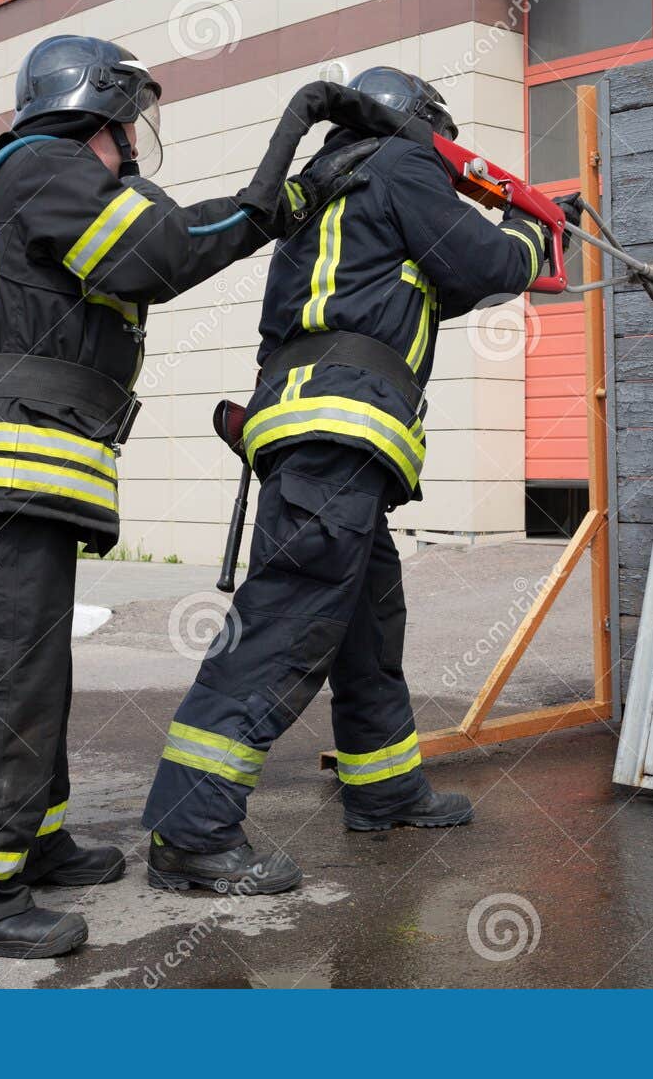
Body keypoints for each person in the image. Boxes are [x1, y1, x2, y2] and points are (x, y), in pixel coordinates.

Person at [0, 35, 374, 957]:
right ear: (95, 114)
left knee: (30, 663)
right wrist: (275, 188)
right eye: (126, 126)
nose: (133, 146)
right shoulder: (46, 167)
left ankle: (34, 841)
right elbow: (163, 256)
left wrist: (269, 208)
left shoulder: (18, 180)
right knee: (5, 672)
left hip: (22, 470)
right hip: (17, 468)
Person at [140, 66, 556, 894]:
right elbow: (483, 263)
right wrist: (539, 232)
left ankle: (383, 788)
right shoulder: (400, 167)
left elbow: (432, 283)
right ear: (419, 126)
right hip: (339, 437)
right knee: (282, 629)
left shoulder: (330, 192)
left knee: (366, 624)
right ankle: (190, 829)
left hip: (315, 435)